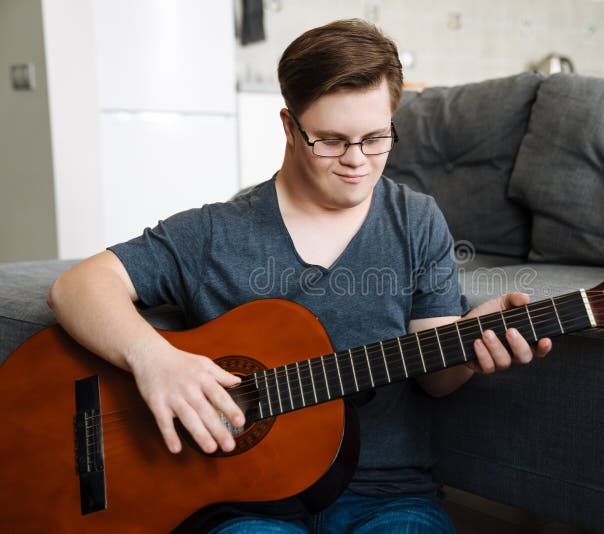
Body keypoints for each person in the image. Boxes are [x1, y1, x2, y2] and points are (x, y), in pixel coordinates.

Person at [48, 18, 552, 533]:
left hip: (387, 497)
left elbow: (434, 377)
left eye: (376, 138)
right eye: (331, 141)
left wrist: (472, 346)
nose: (357, 161)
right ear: (290, 128)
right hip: (242, 503)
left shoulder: (416, 220)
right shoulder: (216, 232)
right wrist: (154, 359)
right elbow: (77, 286)